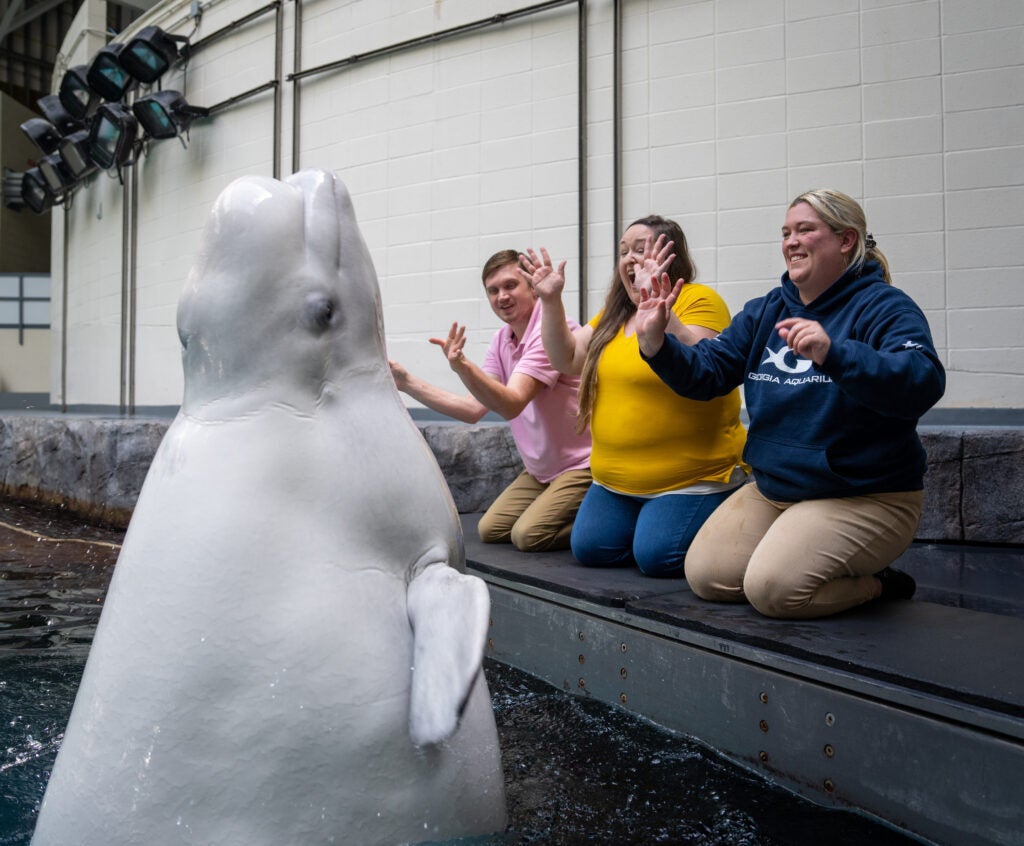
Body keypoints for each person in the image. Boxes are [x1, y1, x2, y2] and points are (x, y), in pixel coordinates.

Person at [635, 188, 946, 618]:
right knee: (707, 576)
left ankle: (879, 584)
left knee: (774, 591)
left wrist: (835, 354)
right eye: (785, 232)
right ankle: (799, 550)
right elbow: (709, 372)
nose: (791, 241)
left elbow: (922, 380)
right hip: (777, 490)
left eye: (805, 230)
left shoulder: (885, 307)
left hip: (863, 495)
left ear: (846, 240)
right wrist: (656, 345)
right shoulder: (768, 310)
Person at [523, 217, 747, 577]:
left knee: (657, 558)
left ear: (670, 256)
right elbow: (565, 358)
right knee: (590, 549)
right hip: (614, 483)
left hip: (688, 480)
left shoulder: (700, 300)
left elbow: (709, 363)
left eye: (640, 250)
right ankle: (648, 523)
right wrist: (550, 301)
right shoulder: (613, 317)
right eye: (623, 251)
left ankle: (719, 513)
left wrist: (661, 309)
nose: (629, 258)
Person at [389, 249, 591, 552]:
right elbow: (474, 409)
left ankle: (606, 523)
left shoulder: (550, 332)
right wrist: (407, 383)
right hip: (541, 471)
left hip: (582, 466)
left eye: (511, 286)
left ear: (534, 287)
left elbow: (512, 403)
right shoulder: (502, 340)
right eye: (493, 291)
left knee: (528, 535)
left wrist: (462, 366)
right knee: (492, 529)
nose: (502, 297)